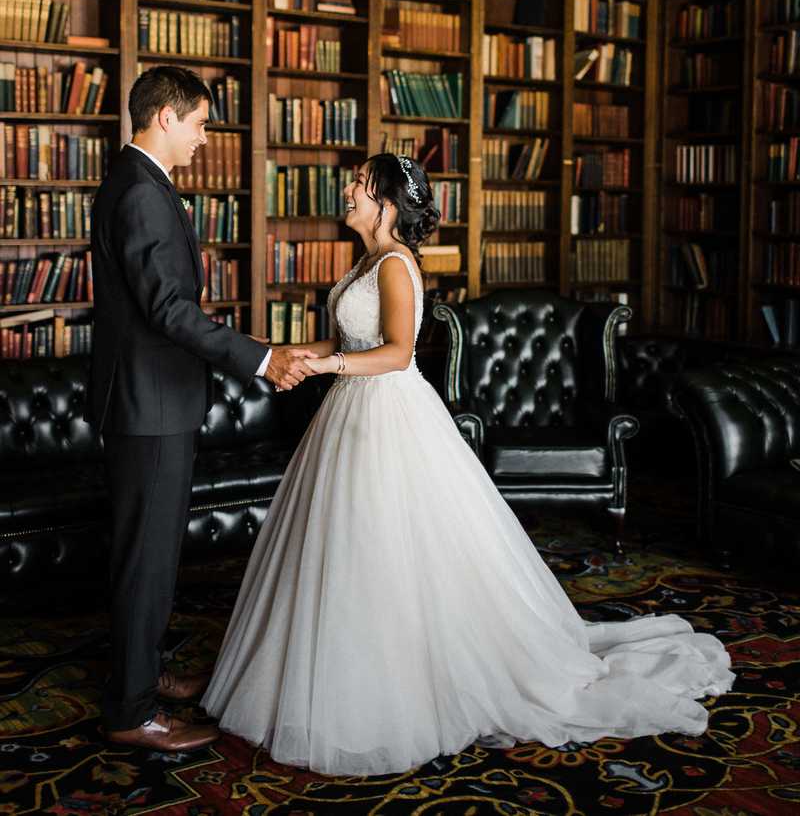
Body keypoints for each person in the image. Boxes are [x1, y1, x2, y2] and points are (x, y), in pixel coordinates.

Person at [202, 153, 735, 776]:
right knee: (347, 543)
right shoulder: (366, 262)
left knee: (388, 541)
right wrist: (287, 352)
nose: (348, 189)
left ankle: (407, 679)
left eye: (359, 184)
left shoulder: (396, 264)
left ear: (386, 204)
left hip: (388, 412)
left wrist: (325, 366)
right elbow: (349, 341)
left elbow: (396, 354)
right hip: (349, 411)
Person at [88, 65, 315, 753]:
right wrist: (261, 357)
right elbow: (168, 310)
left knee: (148, 555)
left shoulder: (137, 182)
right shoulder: (141, 191)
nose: (204, 137)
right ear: (166, 116)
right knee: (147, 560)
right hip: (149, 405)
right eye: (200, 122)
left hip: (150, 400)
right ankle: (132, 713)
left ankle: (143, 675)